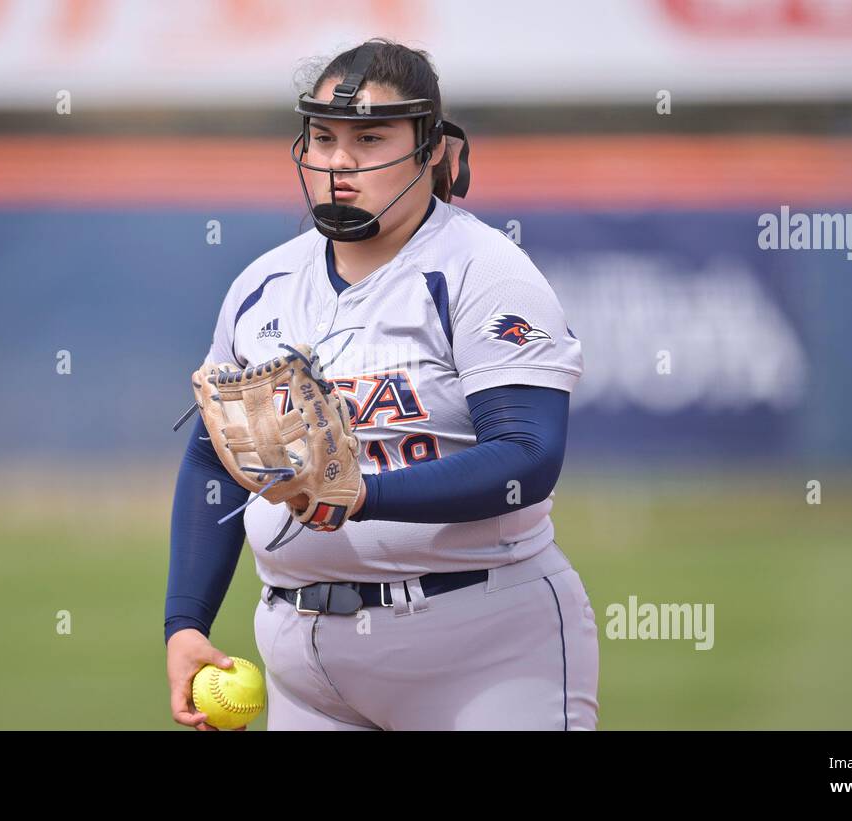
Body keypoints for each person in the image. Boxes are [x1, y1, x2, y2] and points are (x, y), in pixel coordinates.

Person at [165, 38, 598, 730]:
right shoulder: (262, 285)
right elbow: (214, 456)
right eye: (324, 136)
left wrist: (364, 495)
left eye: (370, 138)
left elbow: (527, 455)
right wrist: (185, 621)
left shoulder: (480, 270)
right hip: (303, 659)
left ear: (431, 148)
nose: (339, 161)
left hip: (480, 645)